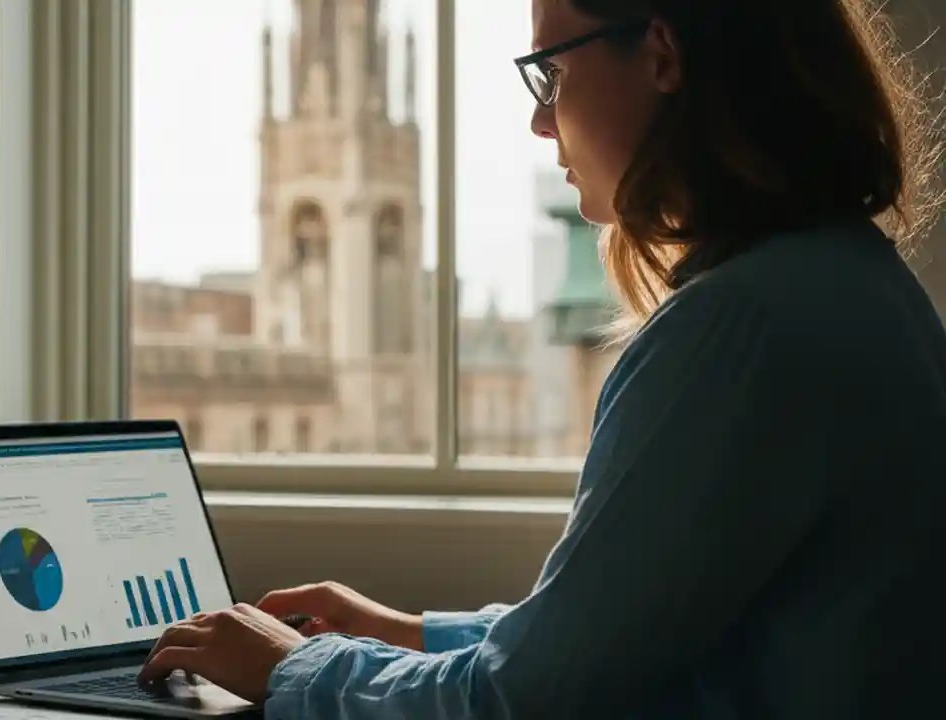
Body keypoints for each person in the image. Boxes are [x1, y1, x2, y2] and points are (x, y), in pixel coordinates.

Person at [139, 0, 946, 716]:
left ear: (660, 54)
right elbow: (625, 638)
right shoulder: (843, 279)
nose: (539, 121)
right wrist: (406, 632)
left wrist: (295, 665)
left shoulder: (737, 331)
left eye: (550, 74)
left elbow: (520, 701)